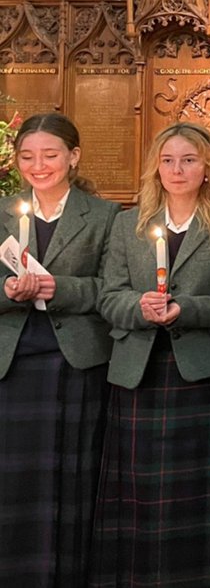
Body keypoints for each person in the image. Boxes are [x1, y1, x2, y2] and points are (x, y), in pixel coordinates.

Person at [91, 122, 210, 586]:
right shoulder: (129, 223)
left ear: (207, 168)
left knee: (194, 493)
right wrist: (139, 307)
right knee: (139, 492)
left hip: (199, 374)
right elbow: (109, 296)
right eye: (167, 161)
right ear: (155, 169)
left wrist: (187, 309)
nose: (177, 169)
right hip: (139, 373)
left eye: (188, 160)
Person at [0, 114, 120, 587]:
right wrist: (8, 292)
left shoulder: (105, 216)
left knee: (71, 480)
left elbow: (110, 290)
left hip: (75, 362)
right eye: (28, 156)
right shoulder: (1, 212)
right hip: (12, 363)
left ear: (73, 156)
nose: (39, 165)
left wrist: (59, 288)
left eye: (50, 155)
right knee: (15, 483)